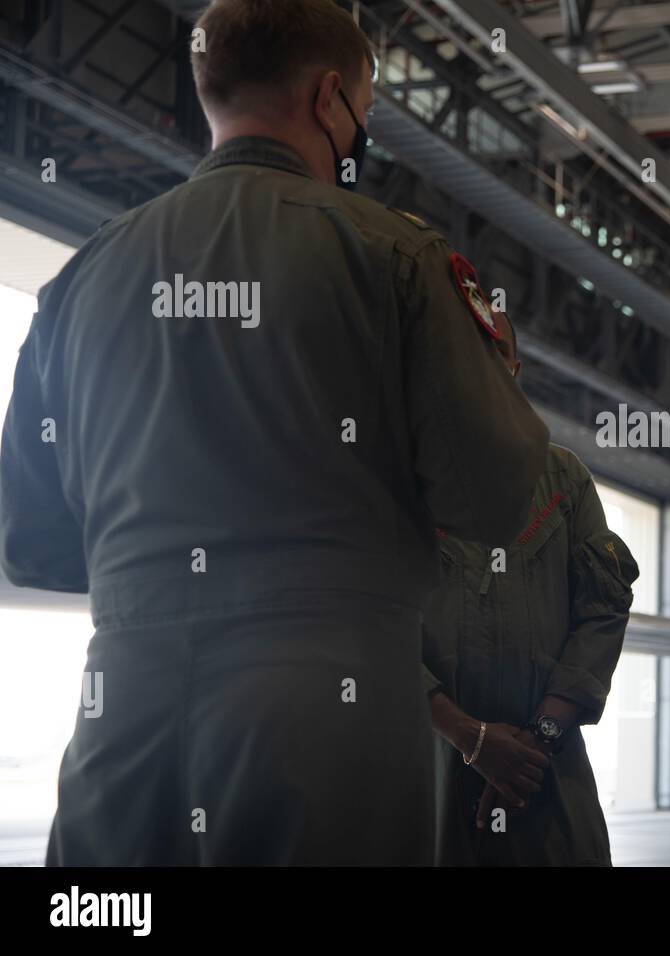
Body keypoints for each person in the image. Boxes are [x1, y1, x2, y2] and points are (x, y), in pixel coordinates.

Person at [0, 0, 548, 865]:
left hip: (124, 708)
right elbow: (498, 492)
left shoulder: (82, 280)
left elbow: (29, 546)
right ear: (332, 99)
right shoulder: (393, 256)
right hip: (329, 710)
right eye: (363, 111)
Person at [423, 307, 639, 866]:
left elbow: (604, 609)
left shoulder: (564, 480)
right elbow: (368, 625)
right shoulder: (395, 483)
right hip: (426, 772)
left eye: (492, 354)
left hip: (546, 773)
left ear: (514, 368)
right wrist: (469, 738)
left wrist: (538, 738)